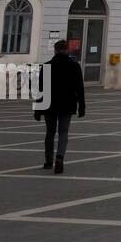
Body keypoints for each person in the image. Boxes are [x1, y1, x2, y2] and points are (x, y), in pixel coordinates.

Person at [33, 40, 85, 174]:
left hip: (49, 104)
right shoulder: (74, 66)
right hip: (67, 104)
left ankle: (48, 161)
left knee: (50, 132)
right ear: (67, 50)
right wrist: (82, 106)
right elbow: (80, 88)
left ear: (55, 50)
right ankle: (60, 157)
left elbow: (41, 89)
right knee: (63, 132)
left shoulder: (47, 66)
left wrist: (37, 110)